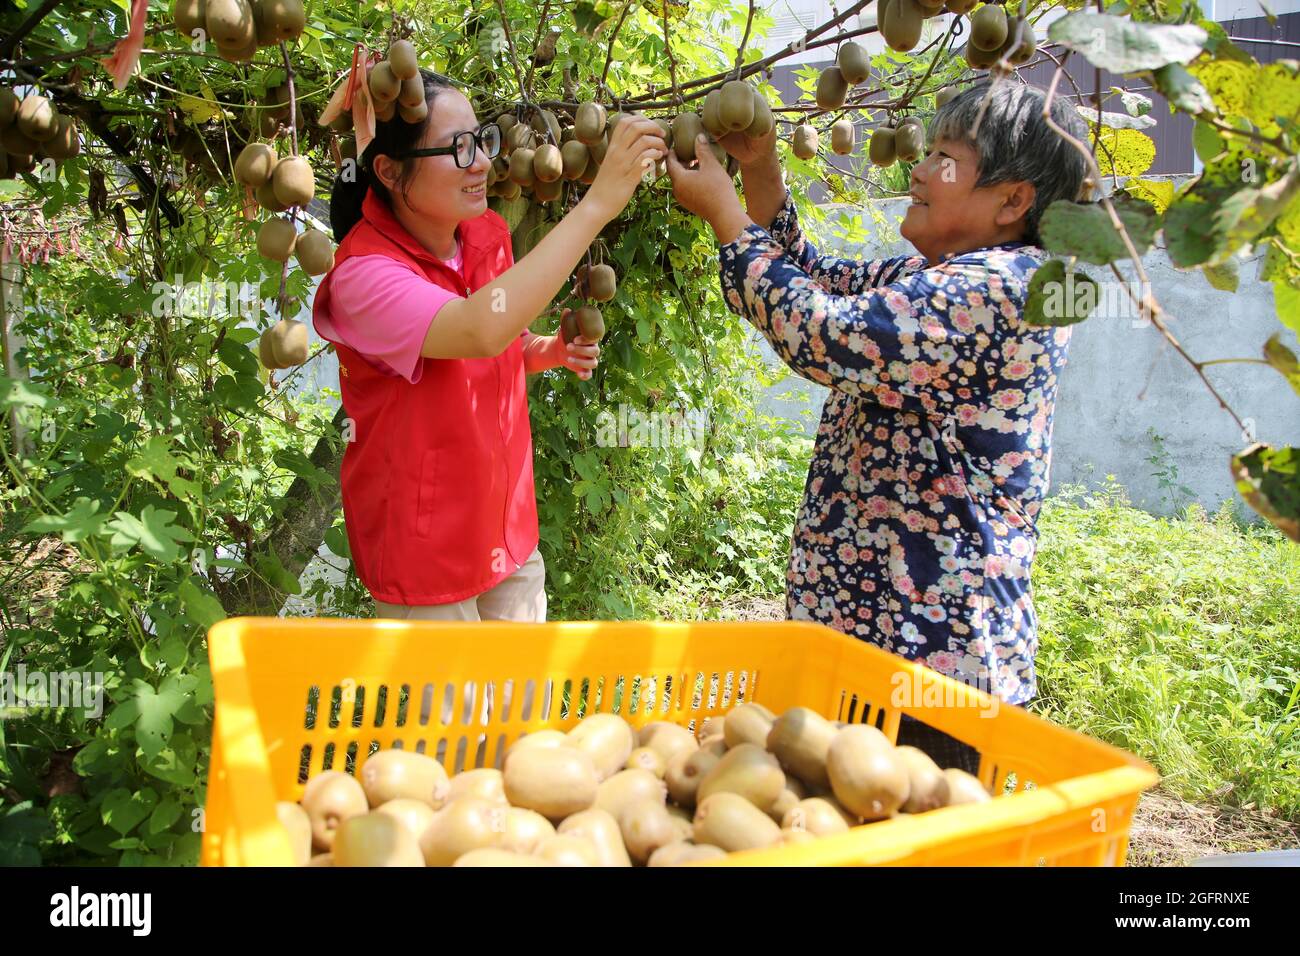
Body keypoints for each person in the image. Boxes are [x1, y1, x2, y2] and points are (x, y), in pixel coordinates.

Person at [667, 83, 1089, 771]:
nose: (918, 171)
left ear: (1013, 201)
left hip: (934, 669)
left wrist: (722, 212)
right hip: (868, 647)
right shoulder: (940, 274)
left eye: (945, 158)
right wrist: (760, 168)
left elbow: (824, 333)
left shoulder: (1005, 287)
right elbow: (815, 279)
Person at [315, 69, 668, 622]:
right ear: (388, 170)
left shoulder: (484, 235)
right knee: (457, 711)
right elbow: (476, 327)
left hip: (506, 529)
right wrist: (597, 205)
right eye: (457, 148)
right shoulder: (364, 278)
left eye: (481, 139)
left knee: (522, 706)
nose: (481, 161)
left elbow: (495, 342)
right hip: (427, 557)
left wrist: (544, 350)